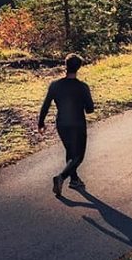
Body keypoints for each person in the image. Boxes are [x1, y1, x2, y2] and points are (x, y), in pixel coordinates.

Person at [38, 53, 95, 196]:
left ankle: (74, 180)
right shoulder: (82, 87)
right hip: (77, 123)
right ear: (79, 68)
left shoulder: (55, 85)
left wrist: (41, 123)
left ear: (65, 66)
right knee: (78, 156)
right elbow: (89, 110)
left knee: (70, 152)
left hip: (62, 123)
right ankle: (61, 178)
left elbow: (45, 105)